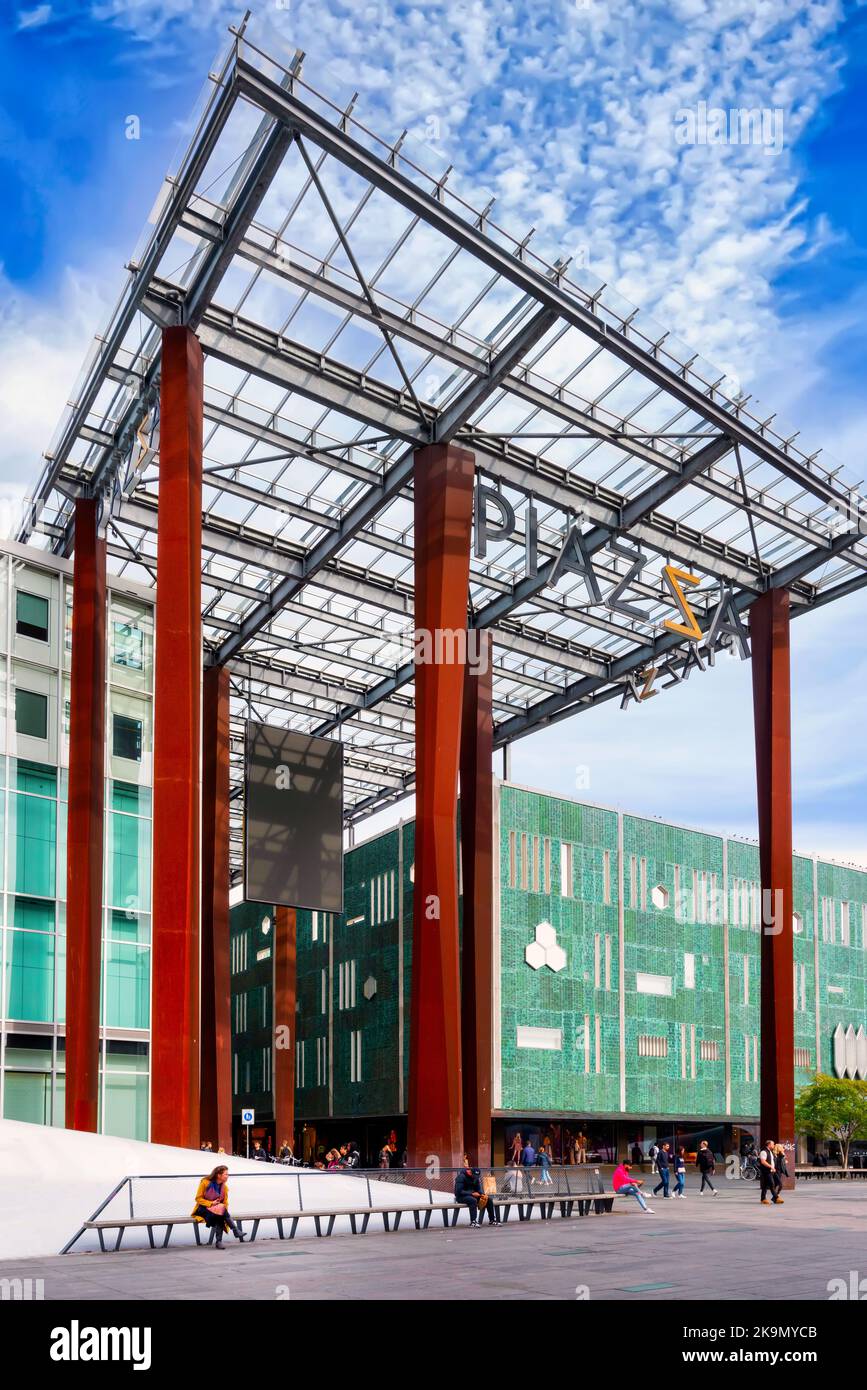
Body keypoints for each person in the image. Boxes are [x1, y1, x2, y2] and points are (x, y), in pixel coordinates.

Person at [191, 1165, 246, 1249]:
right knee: (220, 1212)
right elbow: (198, 1198)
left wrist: (223, 1212)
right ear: (218, 1175)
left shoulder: (224, 1188)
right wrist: (211, 1203)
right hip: (203, 1209)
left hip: (218, 1210)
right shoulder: (205, 1182)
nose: (228, 1176)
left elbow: (225, 1203)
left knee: (220, 1213)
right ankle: (233, 1232)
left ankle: (220, 1240)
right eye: (226, 1174)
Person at [454, 1161, 484, 1228]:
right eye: (474, 1176)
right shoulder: (461, 1177)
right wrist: (472, 1194)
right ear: (470, 1172)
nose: (475, 1177)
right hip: (461, 1197)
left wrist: (481, 1194)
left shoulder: (476, 1178)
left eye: (477, 1176)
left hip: (471, 1195)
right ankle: (473, 1222)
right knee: (473, 1200)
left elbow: (478, 1188)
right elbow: (458, 1191)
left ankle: (492, 1220)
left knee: (488, 1199)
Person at [759, 1139, 783, 1205]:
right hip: (766, 1171)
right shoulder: (763, 1152)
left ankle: (763, 1199)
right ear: (769, 1144)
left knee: (765, 1186)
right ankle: (776, 1198)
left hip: (772, 1171)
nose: (774, 1145)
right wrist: (771, 1166)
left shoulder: (771, 1152)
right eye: (773, 1144)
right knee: (771, 1184)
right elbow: (763, 1161)